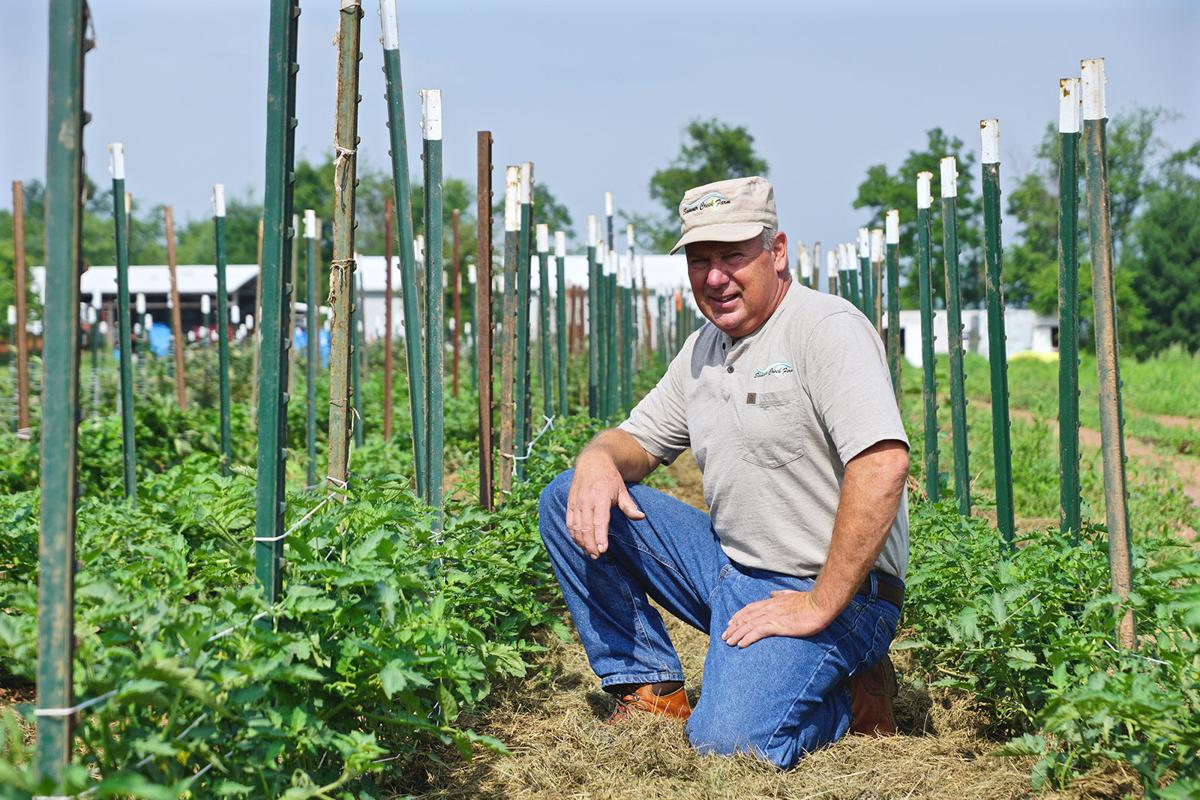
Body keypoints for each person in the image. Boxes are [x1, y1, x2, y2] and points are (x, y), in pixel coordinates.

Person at [538, 176, 910, 768]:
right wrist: (596, 458)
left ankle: (850, 693)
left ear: (778, 251)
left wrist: (817, 604)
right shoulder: (702, 350)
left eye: (734, 256)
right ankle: (649, 686)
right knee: (569, 497)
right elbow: (635, 440)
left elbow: (884, 464)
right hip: (733, 568)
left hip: (840, 591)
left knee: (728, 745)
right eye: (700, 260)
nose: (715, 277)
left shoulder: (824, 329)